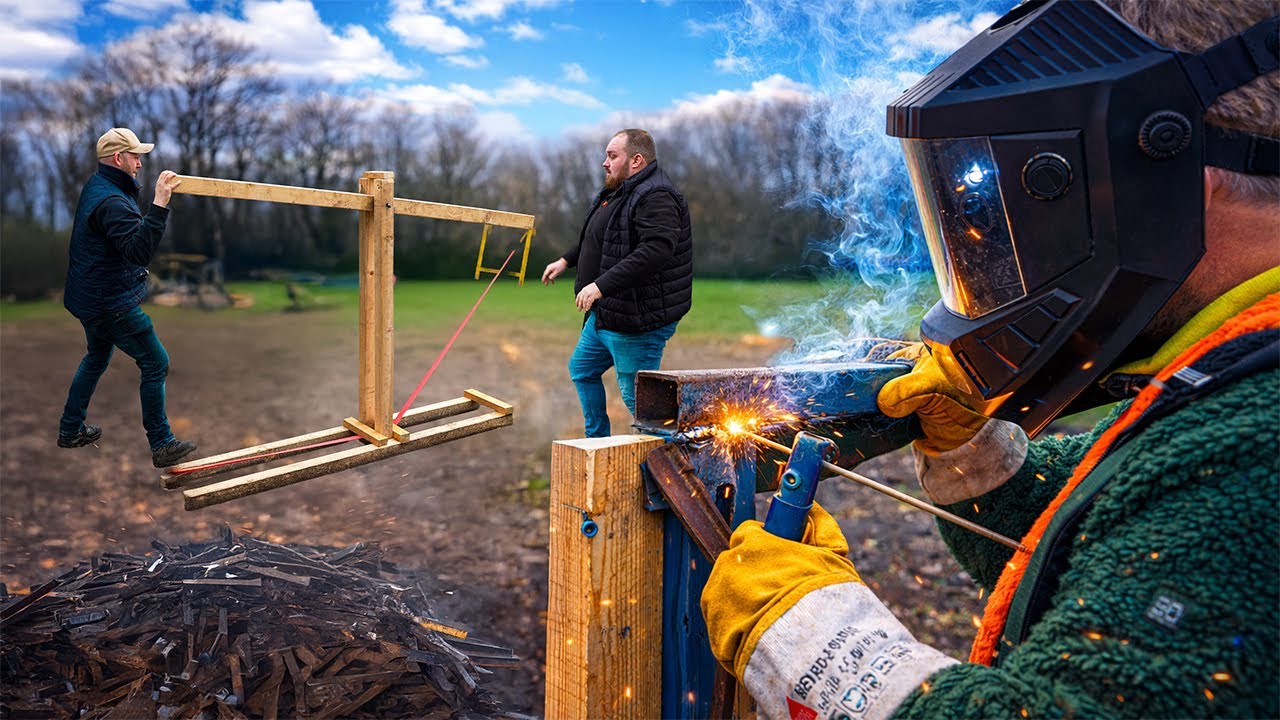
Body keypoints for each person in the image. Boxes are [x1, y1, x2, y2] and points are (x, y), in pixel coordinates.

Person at [702, 1, 1279, 718]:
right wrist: (981, 456)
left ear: (1162, 174)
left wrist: (819, 645)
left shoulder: (1257, 451)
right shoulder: (1236, 383)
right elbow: (1127, 535)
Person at [58, 127, 198, 469]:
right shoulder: (112, 202)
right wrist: (160, 204)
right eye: (135, 156)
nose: (140, 162)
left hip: (88, 297)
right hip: (109, 303)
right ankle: (162, 442)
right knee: (155, 362)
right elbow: (139, 251)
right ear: (119, 158)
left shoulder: (99, 186)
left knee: (96, 357)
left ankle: (70, 429)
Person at [542, 128, 693, 437]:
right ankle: (597, 442)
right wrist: (566, 260)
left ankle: (679, 461)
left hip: (638, 317)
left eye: (612, 156)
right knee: (582, 370)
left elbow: (656, 250)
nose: (604, 162)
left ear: (636, 160)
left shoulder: (657, 195)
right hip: (607, 312)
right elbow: (599, 237)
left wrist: (600, 286)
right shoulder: (619, 191)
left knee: (641, 404)